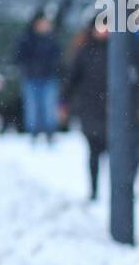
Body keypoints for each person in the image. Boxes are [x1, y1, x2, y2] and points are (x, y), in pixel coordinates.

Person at [61, 13, 108, 199]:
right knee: (94, 153)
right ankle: (94, 190)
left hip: (111, 110)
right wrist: (64, 102)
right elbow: (71, 79)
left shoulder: (119, 51)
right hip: (91, 108)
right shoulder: (84, 51)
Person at [14, 11, 62, 144]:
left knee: (49, 107)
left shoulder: (51, 39)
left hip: (48, 78)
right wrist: (29, 69)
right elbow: (19, 58)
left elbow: (57, 57)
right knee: (33, 108)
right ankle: (34, 133)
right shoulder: (26, 38)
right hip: (32, 78)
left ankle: (50, 133)